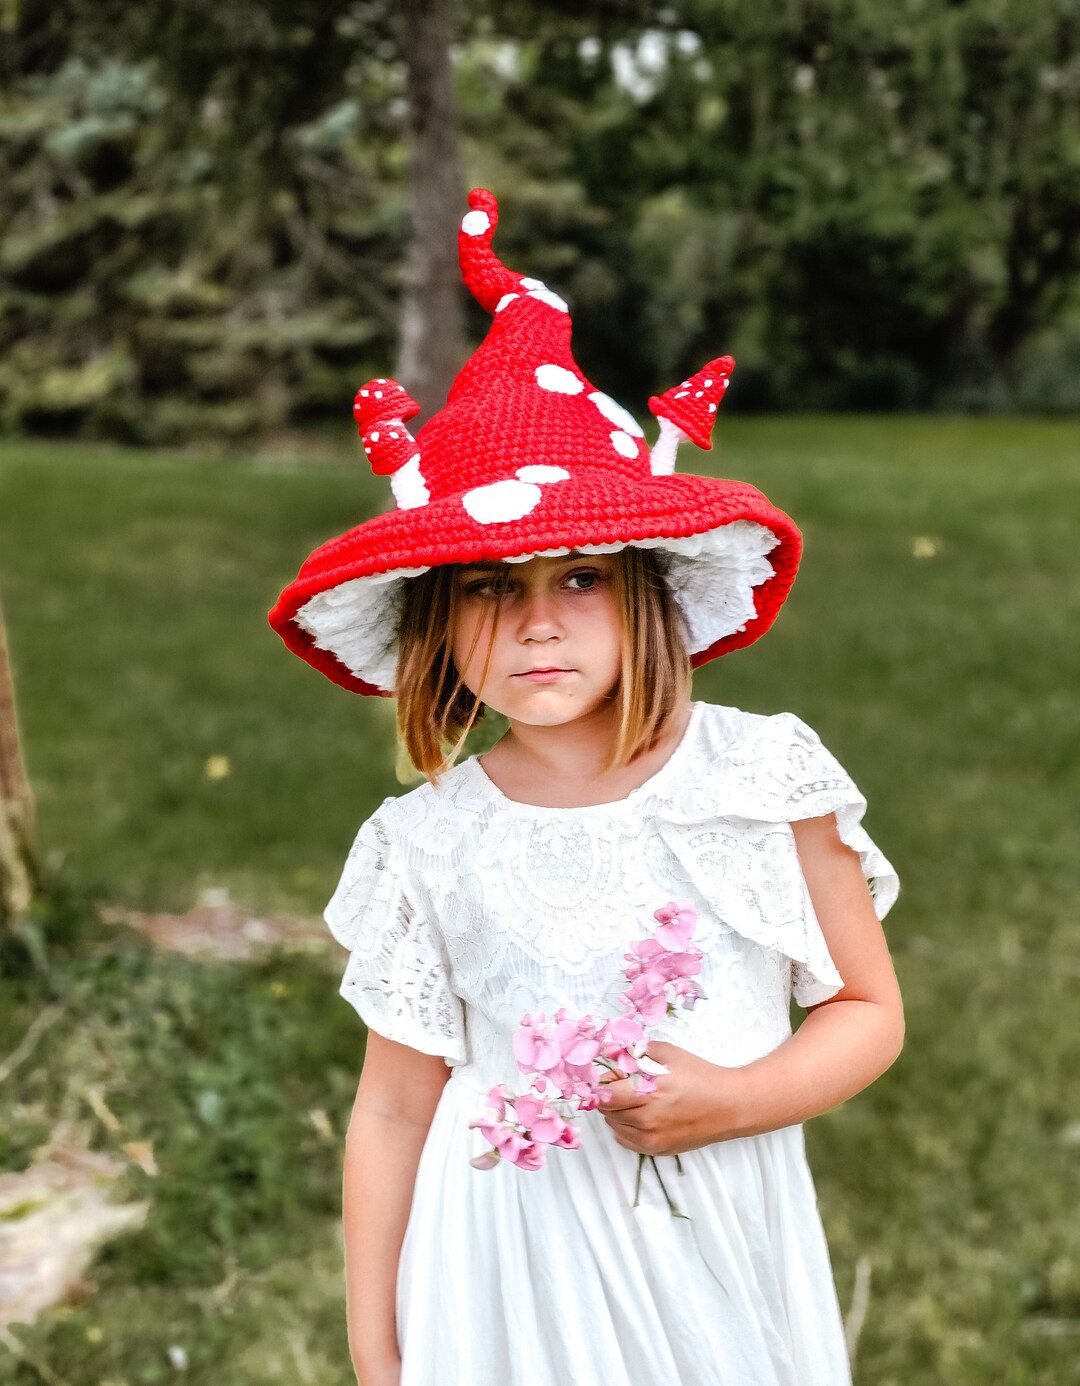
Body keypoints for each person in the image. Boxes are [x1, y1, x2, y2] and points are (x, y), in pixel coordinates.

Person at [269, 189, 904, 1386]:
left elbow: (869, 1010)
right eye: (488, 590)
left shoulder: (760, 777)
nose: (535, 626)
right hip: (504, 1265)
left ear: (650, 595)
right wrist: (377, 1351)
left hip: (715, 1242)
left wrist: (739, 1099)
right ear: (433, 623)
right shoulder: (427, 841)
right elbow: (395, 1111)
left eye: (579, 582)